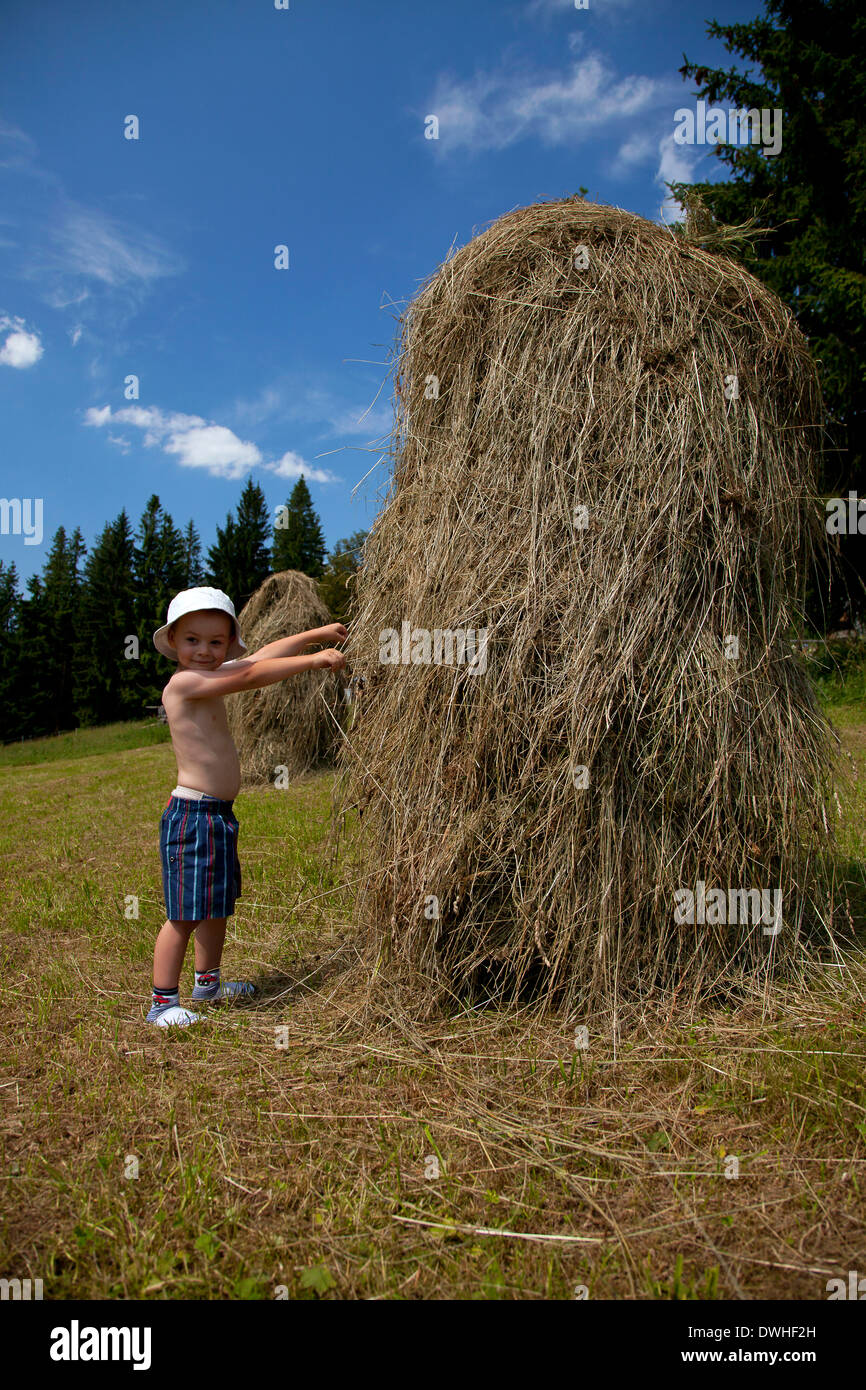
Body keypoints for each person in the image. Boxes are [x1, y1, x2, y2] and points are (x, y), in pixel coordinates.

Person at [147, 585, 347, 1027]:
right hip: (192, 817)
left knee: (216, 905)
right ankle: (162, 1004)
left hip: (217, 816)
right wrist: (313, 662)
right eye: (193, 640)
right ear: (175, 643)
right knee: (184, 914)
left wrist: (316, 635)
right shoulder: (184, 683)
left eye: (216, 642)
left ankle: (208, 984)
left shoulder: (212, 673)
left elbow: (258, 658)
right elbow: (250, 677)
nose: (204, 650)